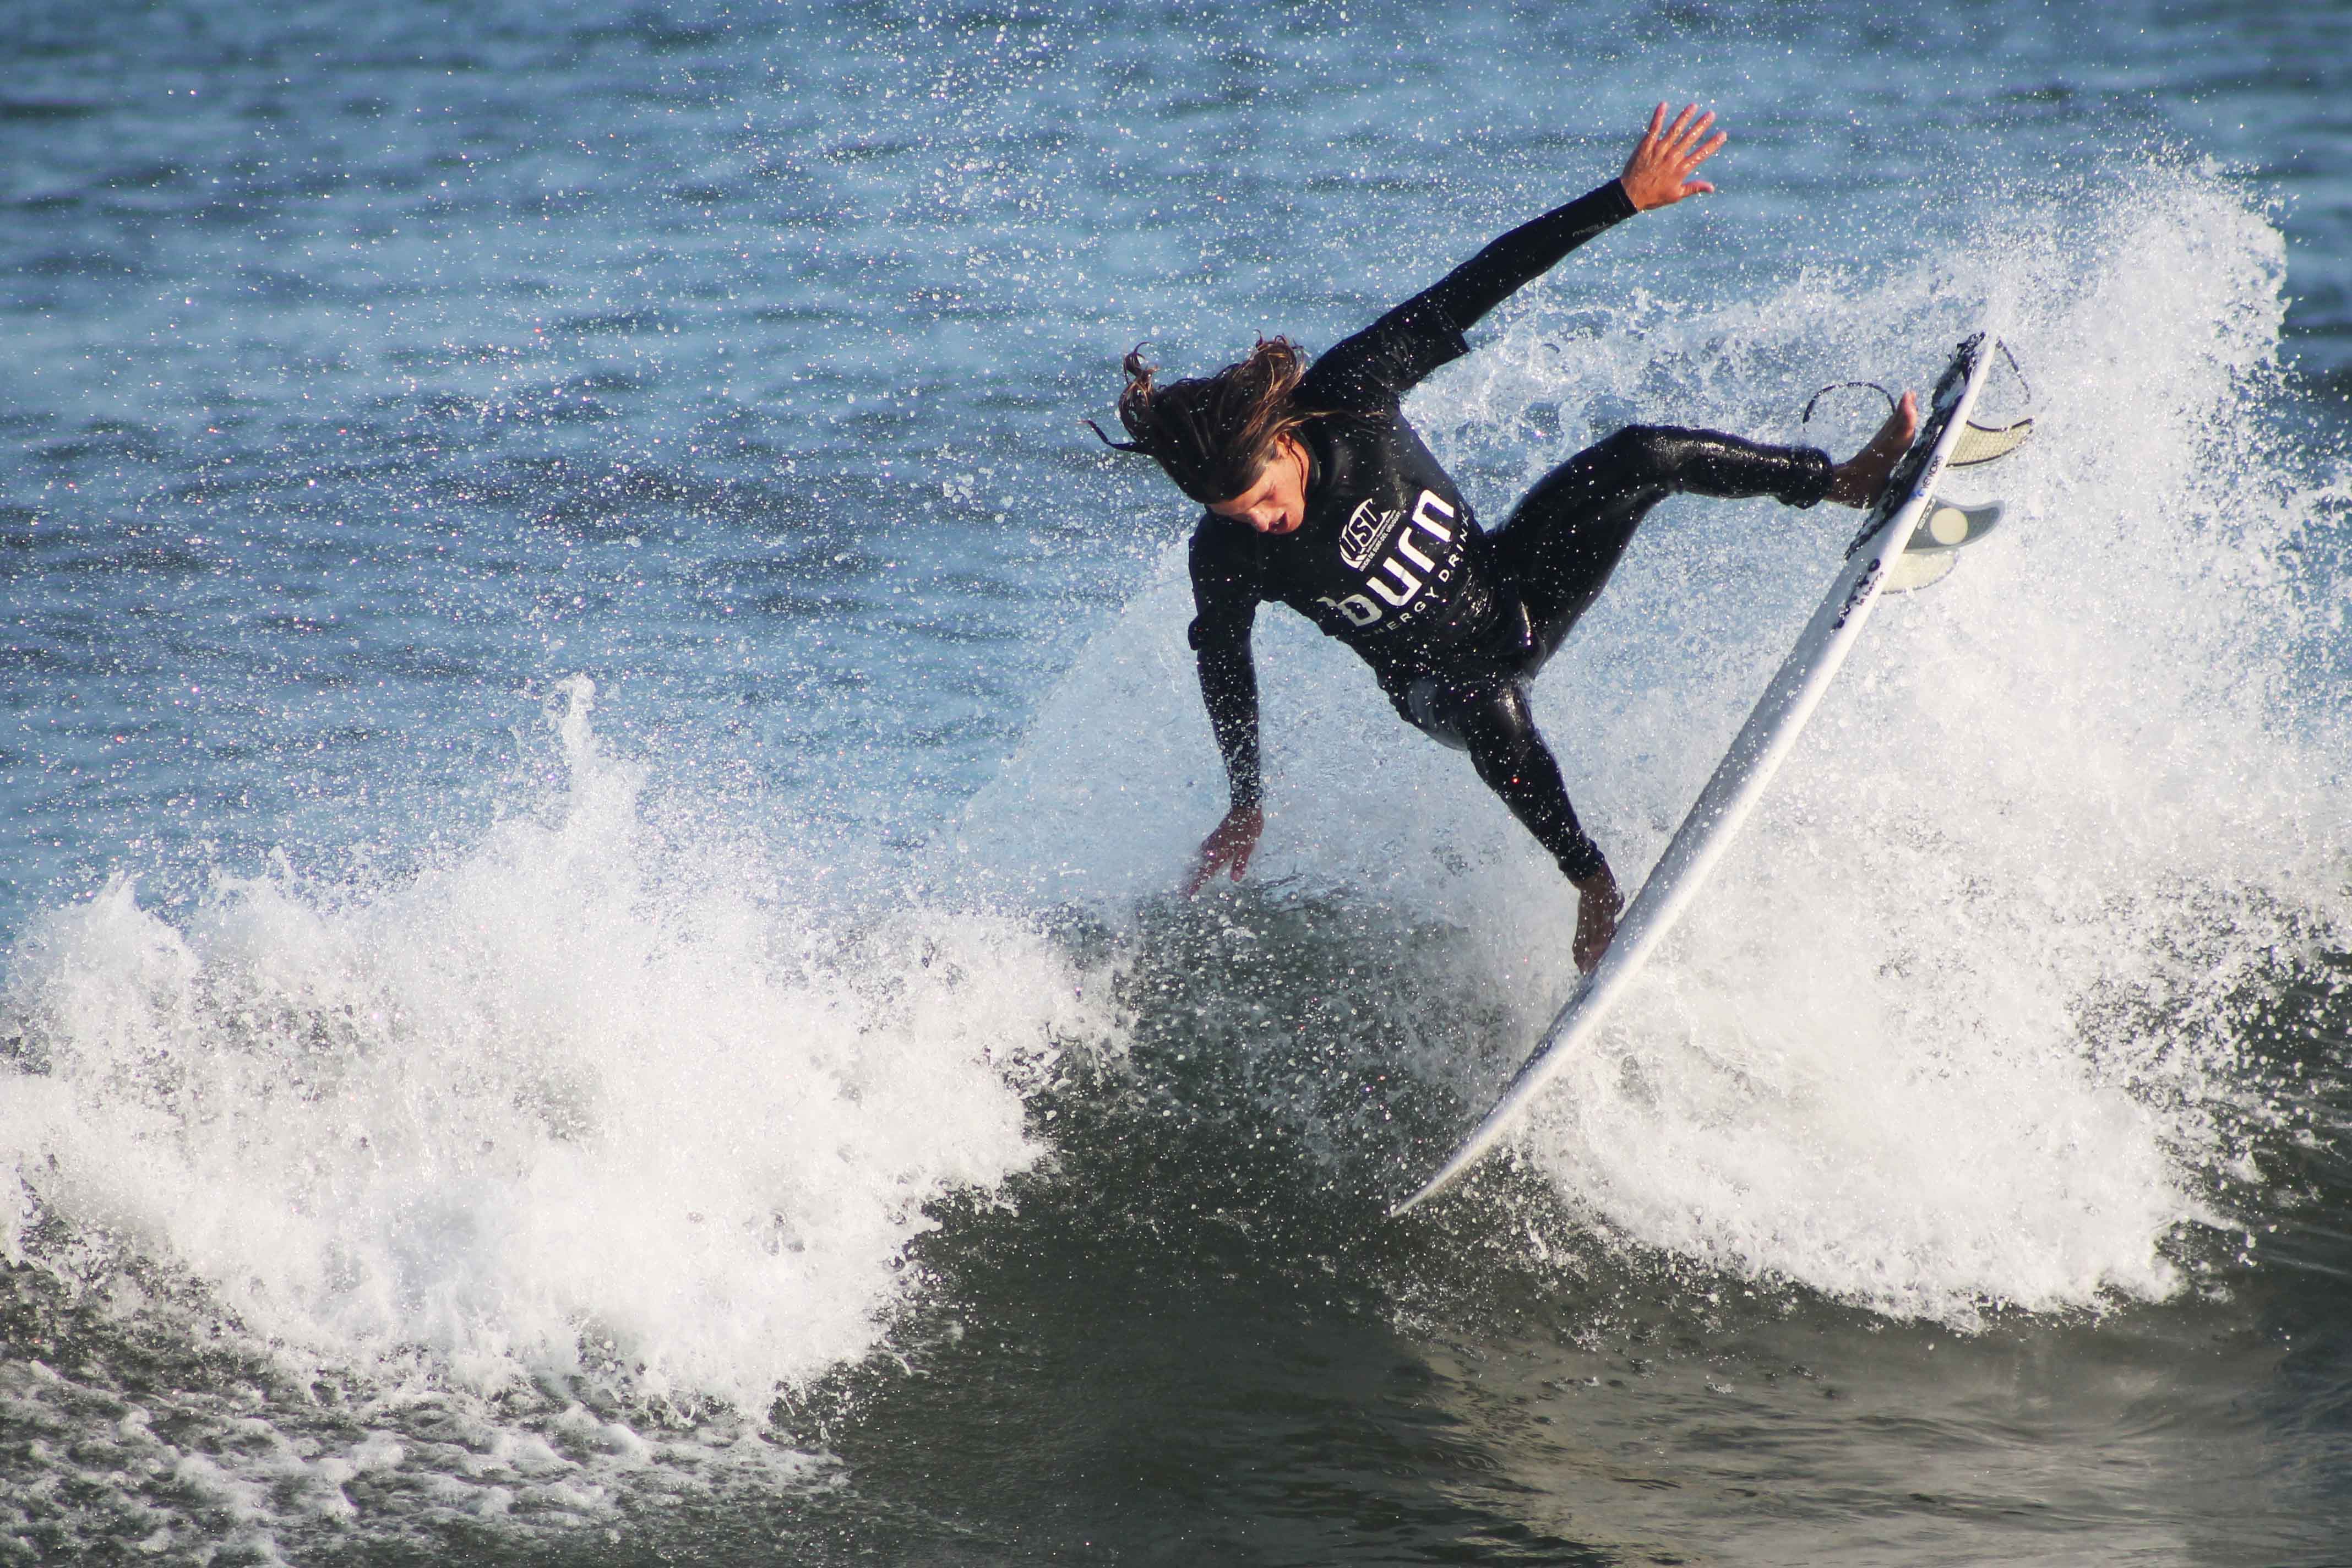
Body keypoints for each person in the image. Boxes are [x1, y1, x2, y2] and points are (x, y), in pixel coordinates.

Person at [1093, 104, 1917, 972]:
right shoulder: (1229, 553)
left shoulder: (1352, 394)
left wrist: (1622, 199)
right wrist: (1246, 800)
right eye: (1238, 517)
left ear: (1284, 439)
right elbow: (1223, 661)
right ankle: (1592, 881)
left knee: (1642, 455)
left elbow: (1478, 283)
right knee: (1487, 702)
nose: (1262, 522)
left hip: (1515, 589)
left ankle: (1841, 482)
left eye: (1262, 498)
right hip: (1435, 686)